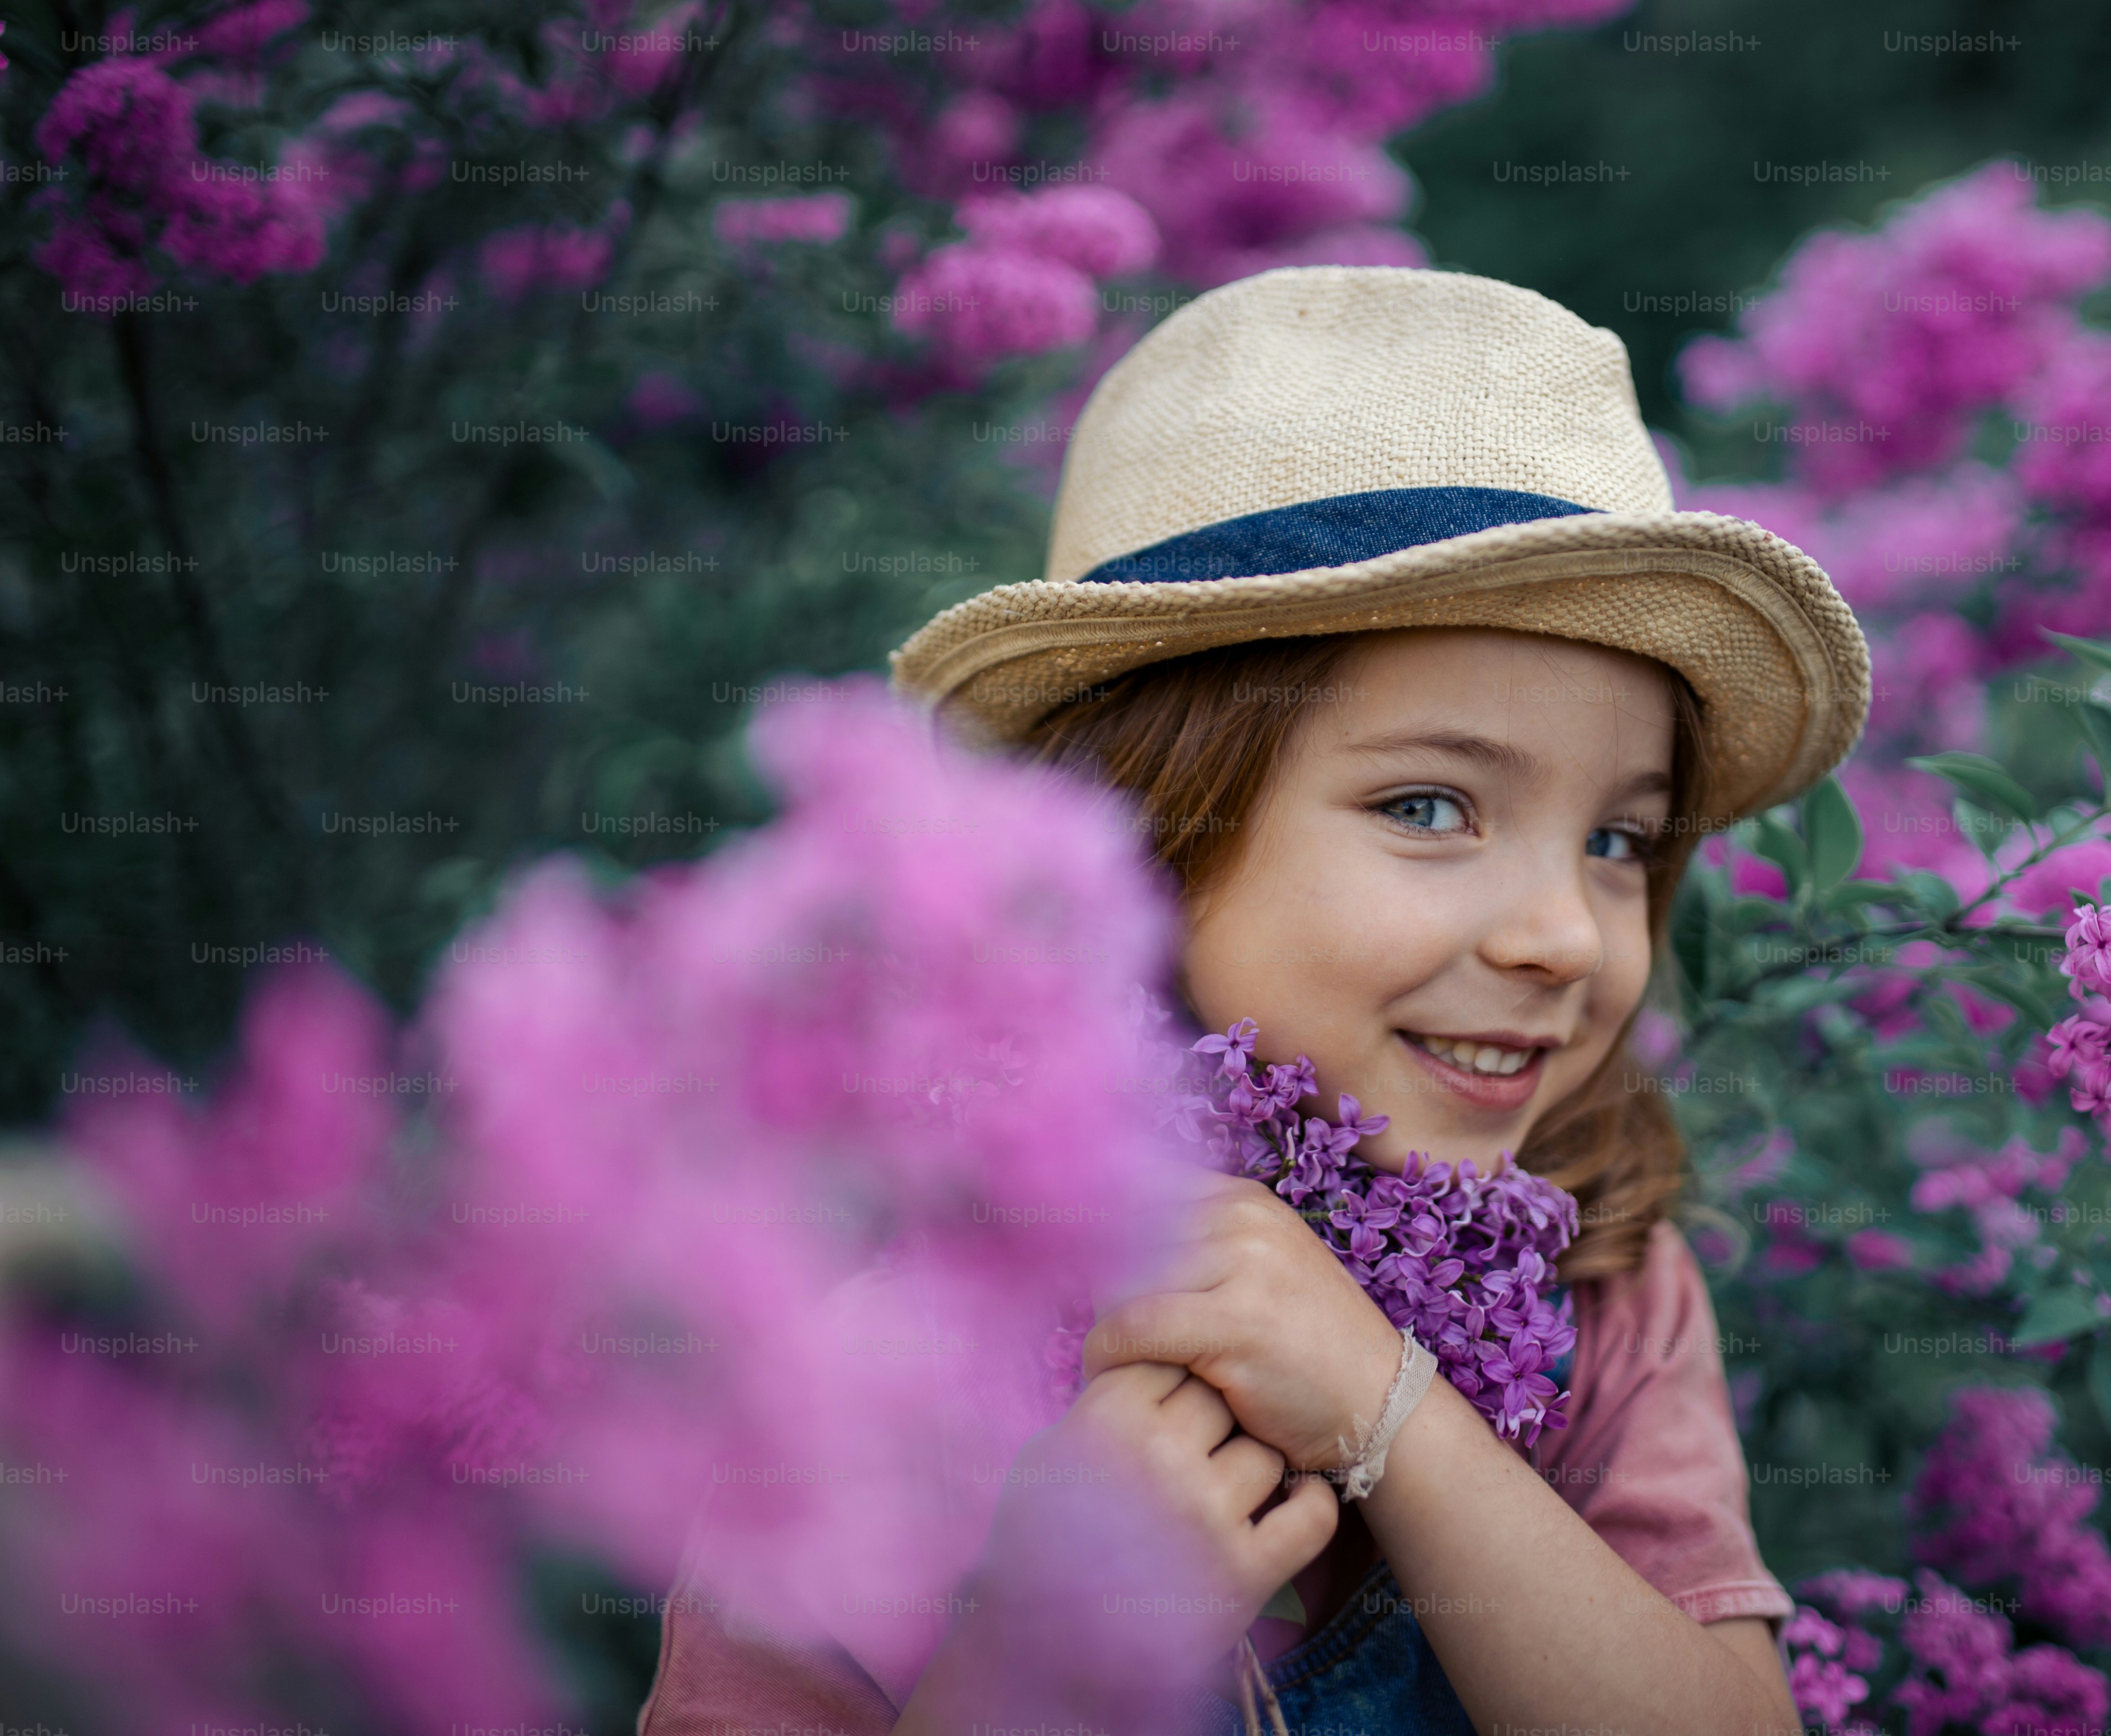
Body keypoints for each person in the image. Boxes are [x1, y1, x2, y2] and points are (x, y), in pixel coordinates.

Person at [637, 264, 1870, 1734]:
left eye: (1619, 840)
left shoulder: (1600, 1281)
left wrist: (1392, 1411)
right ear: (1146, 837)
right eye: (1431, 807)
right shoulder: (868, 1373)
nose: (1563, 935)